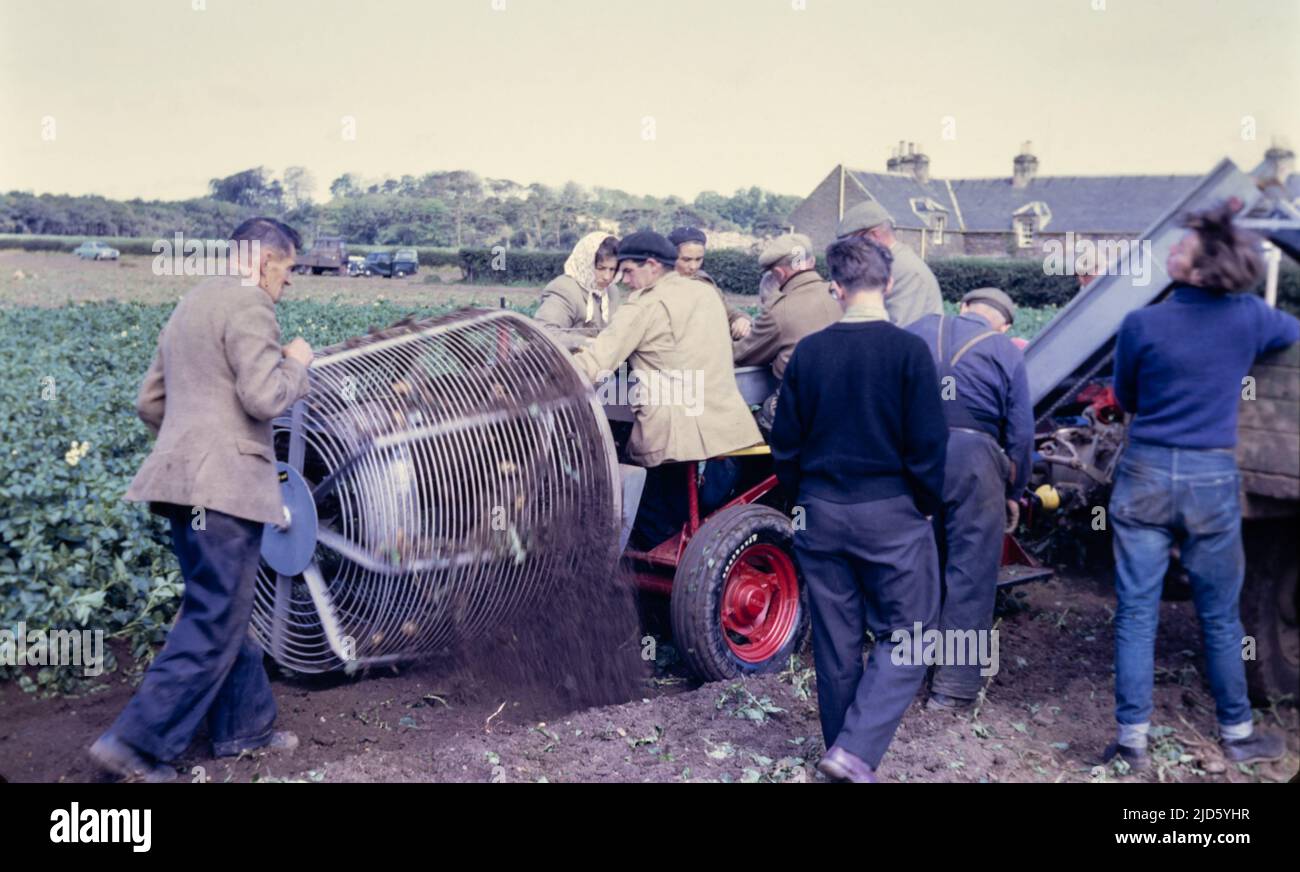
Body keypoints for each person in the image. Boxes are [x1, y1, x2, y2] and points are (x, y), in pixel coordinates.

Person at [89, 218, 313, 782]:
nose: (289, 284)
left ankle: (246, 727)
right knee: (214, 620)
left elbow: (150, 402)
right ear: (264, 261)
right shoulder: (250, 304)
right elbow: (265, 397)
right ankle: (133, 749)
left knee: (221, 607)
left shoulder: (192, 302)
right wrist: (298, 364)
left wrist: (194, 441)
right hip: (227, 492)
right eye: (288, 271)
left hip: (181, 487)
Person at [1103, 202, 1298, 772]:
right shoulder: (1248, 319)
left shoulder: (1142, 323)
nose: (1172, 249)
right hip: (1211, 478)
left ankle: (1131, 745)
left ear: (1197, 266)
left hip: (1145, 473)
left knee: (1137, 613)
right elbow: (1290, 330)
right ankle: (1238, 734)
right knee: (1219, 616)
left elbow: (1126, 398)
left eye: (1182, 245)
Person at [770, 235, 948, 782]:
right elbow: (928, 443)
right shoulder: (910, 352)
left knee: (835, 640)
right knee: (911, 634)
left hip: (819, 512)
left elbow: (786, 443)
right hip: (890, 512)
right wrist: (924, 504)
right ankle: (853, 753)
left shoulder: (810, 352)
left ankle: (840, 753)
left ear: (836, 287)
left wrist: (801, 500)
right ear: (889, 284)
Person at [572, 231, 762, 548]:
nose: (625, 281)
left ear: (651, 265)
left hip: (671, 435)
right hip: (724, 426)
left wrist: (539, 378)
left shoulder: (643, 306)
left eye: (629, 271)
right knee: (679, 506)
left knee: (627, 502)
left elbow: (596, 363)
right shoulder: (705, 294)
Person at [906, 287, 1033, 710]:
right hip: (973, 461)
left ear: (962, 307)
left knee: (915, 567)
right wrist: (1014, 491)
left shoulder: (920, 328)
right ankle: (953, 690)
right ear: (1006, 324)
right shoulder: (1006, 350)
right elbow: (1021, 435)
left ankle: (899, 677)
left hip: (913, 455)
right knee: (971, 574)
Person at [733, 233, 843, 431]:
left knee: (742, 431)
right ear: (811, 262)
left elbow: (742, 355)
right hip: (846, 404)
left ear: (779, 273)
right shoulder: (842, 294)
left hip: (803, 411)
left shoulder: (779, 311)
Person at [837, 201, 943, 327]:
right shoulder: (889, 264)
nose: (848, 251)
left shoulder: (905, 270)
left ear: (873, 235)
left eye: (851, 243)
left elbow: (900, 335)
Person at [534, 232, 621, 347]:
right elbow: (543, 334)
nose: (607, 277)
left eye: (612, 269)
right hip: (564, 362)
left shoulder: (612, 292)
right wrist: (588, 343)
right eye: (601, 268)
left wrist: (622, 364)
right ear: (586, 264)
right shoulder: (564, 289)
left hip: (601, 363)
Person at [668, 225, 752, 339]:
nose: (693, 266)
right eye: (686, 260)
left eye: (698, 259)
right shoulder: (660, 286)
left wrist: (741, 320)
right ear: (671, 257)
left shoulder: (704, 281)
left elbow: (729, 312)